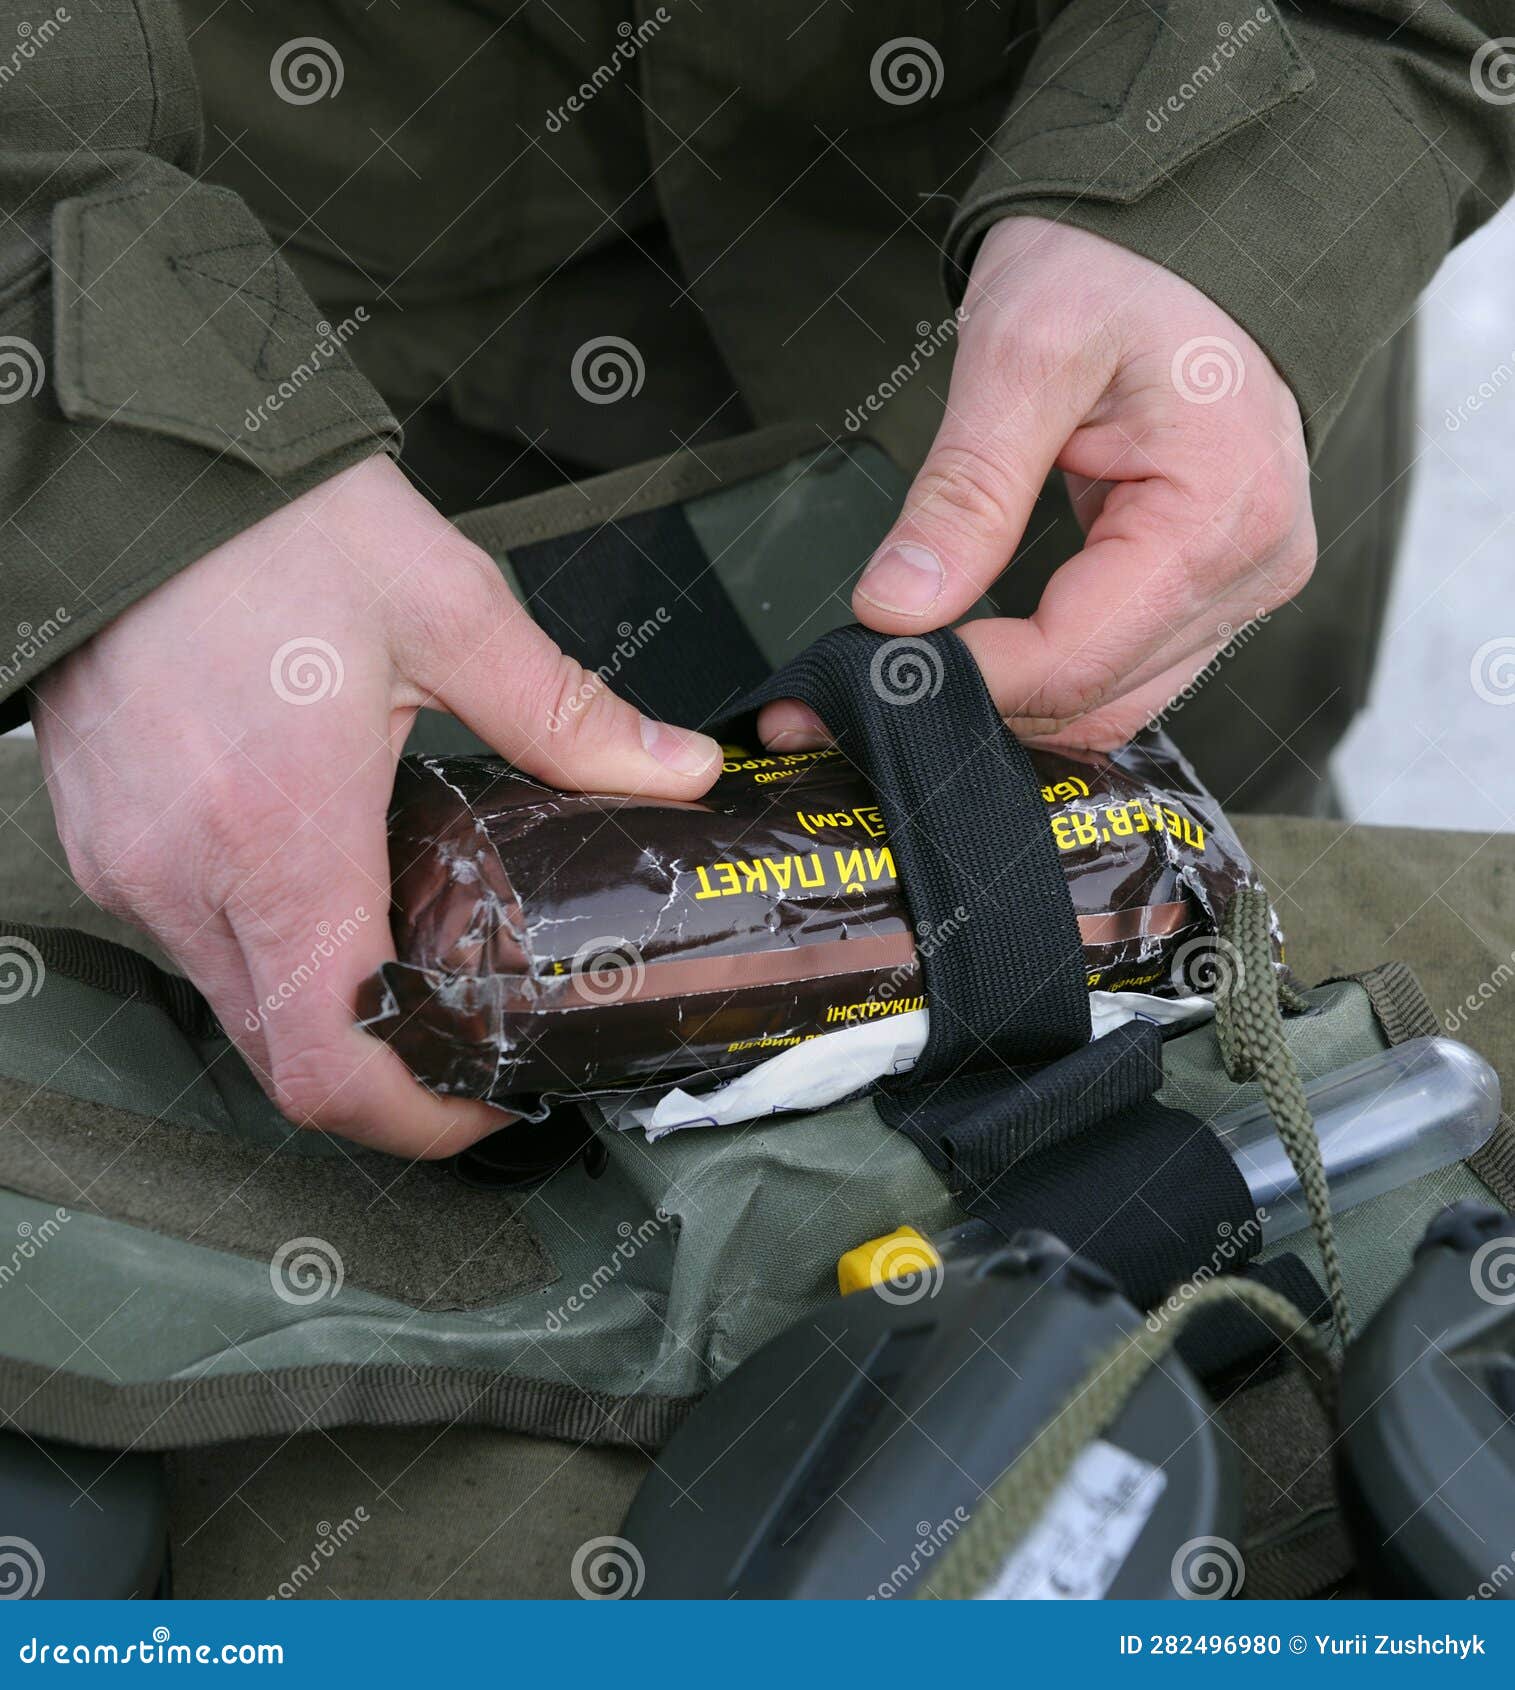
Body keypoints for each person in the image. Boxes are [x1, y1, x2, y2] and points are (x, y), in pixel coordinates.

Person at [2, 2, 1509, 1155]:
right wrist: (102, 443)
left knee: (1225, 903)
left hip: (1100, 346)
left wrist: (1240, 204)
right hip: (299, 356)